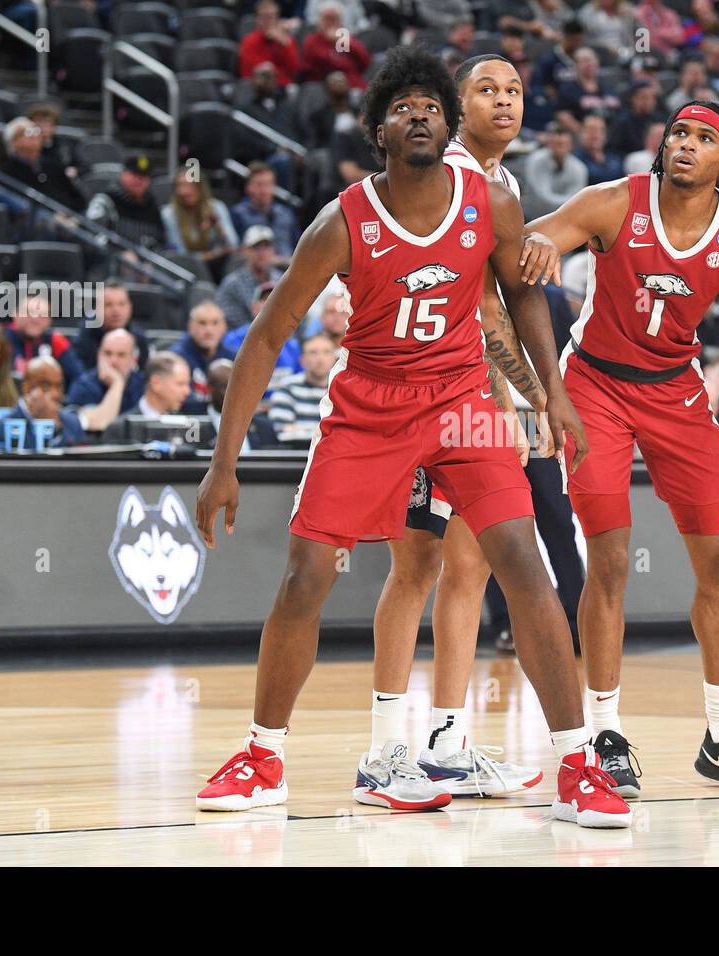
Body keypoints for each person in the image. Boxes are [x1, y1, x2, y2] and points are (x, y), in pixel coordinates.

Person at [193, 47, 631, 828]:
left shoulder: (489, 197)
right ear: (379, 131)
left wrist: (551, 394)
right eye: (403, 107)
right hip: (371, 403)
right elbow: (264, 338)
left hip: (461, 398)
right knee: (307, 575)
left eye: (431, 104)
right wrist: (223, 463)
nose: (420, 113)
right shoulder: (343, 222)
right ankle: (263, 756)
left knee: (521, 562)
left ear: (447, 121)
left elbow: (522, 294)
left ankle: (575, 763)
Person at [529, 99, 719, 796]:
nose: (685, 144)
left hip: (676, 391)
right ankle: (604, 733)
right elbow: (535, 239)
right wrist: (535, 249)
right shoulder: (614, 203)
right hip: (593, 386)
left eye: (704, 138)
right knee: (610, 560)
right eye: (679, 131)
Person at [367, 54, 559, 799]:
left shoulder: (505, 186)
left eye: (514, 89)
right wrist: (537, 395)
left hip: (472, 398)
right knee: (415, 565)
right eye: (486, 89)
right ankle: (384, 748)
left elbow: (510, 297)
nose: (503, 100)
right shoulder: (442, 171)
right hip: (417, 395)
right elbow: (482, 311)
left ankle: (446, 742)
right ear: (455, 106)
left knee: (472, 565)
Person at [0, 355, 88, 449]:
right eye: (46, 385)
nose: (55, 394)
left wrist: (57, 428)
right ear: (26, 387)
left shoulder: (73, 425)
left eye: (58, 386)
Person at [161, 166, 238, 284]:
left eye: (190, 185)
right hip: (187, 270)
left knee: (236, 259)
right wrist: (210, 255)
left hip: (217, 266)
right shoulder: (169, 214)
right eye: (180, 186)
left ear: (200, 187)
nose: (184, 191)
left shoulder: (216, 207)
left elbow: (233, 244)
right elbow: (180, 255)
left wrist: (218, 227)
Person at [101, 352, 192, 442]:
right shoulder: (120, 429)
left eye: (187, 384)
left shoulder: (186, 426)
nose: (187, 391)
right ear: (156, 383)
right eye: (180, 384)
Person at [85, 154, 166, 249]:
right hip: (112, 260)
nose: (139, 180)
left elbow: (160, 239)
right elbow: (91, 235)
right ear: (123, 174)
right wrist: (120, 252)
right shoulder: (106, 200)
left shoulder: (152, 204)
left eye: (144, 176)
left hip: (148, 261)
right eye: (134, 175)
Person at [70, 281, 150, 372]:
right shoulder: (84, 337)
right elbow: (79, 376)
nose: (116, 310)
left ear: (130, 308)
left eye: (121, 304)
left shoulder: (139, 338)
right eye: (108, 305)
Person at [171, 301, 235, 415]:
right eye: (202, 323)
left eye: (215, 323)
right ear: (190, 326)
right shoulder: (177, 358)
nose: (209, 330)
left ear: (224, 327)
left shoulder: (233, 358)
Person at [4, 294, 83, 386]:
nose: (35, 320)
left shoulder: (56, 341)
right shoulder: (1, 337)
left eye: (42, 315)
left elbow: (78, 378)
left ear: (49, 320)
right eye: (29, 313)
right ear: (15, 314)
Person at [65, 327, 143, 419]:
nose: (113, 361)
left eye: (121, 355)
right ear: (98, 356)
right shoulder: (83, 386)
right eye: (107, 353)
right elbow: (96, 424)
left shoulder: (144, 385)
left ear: (134, 360)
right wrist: (116, 384)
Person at [204, 359, 278, 452]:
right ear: (209, 388)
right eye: (224, 386)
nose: (232, 392)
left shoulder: (264, 428)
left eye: (236, 384)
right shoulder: (196, 428)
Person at [218, 226, 282, 330]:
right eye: (257, 247)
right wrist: (261, 319)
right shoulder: (232, 284)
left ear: (273, 250)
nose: (262, 253)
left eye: (267, 246)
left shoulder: (282, 280)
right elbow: (230, 325)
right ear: (245, 251)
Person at [229, 162, 297, 261]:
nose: (264, 190)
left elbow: (298, 245)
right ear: (248, 187)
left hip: (288, 267)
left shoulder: (286, 213)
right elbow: (235, 250)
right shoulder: (238, 214)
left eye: (269, 184)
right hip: (254, 269)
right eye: (259, 185)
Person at [522, 122, 588, 220]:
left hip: (562, 220)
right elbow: (542, 199)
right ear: (549, 144)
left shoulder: (579, 168)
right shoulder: (535, 160)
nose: (559, 149)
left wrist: (573, 203)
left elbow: (577, 200)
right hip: (530, 219)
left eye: (563, 144)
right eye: (556, 144)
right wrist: (570, 203)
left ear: (571, 146)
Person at [238, 0, 301, 82]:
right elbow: (246, 72)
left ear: (277, 19)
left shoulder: (287, 41)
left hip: (280, 87)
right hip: (255, 85)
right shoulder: (248, 41)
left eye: (270, 17)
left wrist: (284, 43)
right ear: (257, 19)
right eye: (263, 17)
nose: (267, 22)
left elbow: (294, 71)